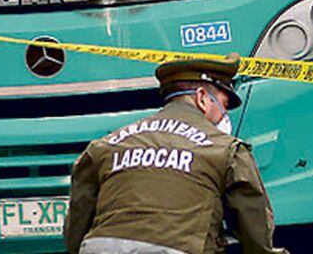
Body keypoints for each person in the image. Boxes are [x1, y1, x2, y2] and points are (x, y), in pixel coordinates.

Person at [63, 53, 288, 254]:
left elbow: (76, 228)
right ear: (202, 98)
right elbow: (254, 229)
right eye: (224, 104)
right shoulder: (224, 149)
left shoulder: (106, 146)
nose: (224, 115)